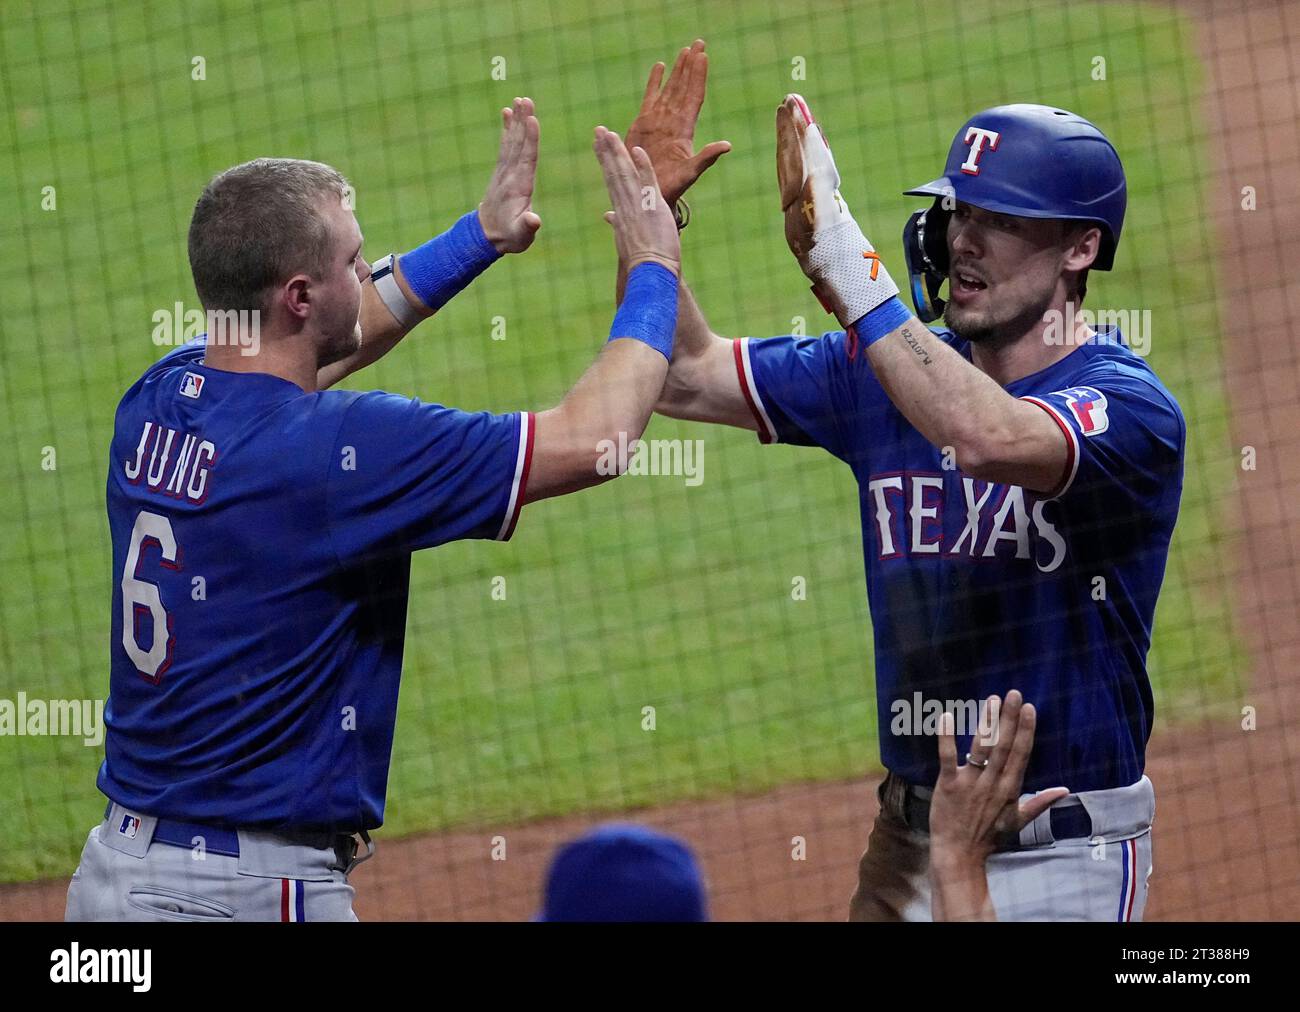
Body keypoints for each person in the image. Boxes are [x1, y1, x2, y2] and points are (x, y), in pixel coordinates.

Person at [66, 99, 685, 921]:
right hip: (245, 896)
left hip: (113, 877)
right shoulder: (342, 453)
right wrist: (655, 267)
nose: (368, 276)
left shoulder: (156, 397)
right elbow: (595, 438)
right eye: (354, 263)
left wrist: (483, 235)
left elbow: (346, 331)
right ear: (296, 296)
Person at [626, 40, 1184, 921]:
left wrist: (844, 264)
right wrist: (648, 224)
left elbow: (987, 433)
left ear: (1082, 247)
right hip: (907, 842)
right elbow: (682, 373)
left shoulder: (1129, 409)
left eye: (1002, 220)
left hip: (1061, 855)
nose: (965, 238)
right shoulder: (882, 372)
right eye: (960, 211)